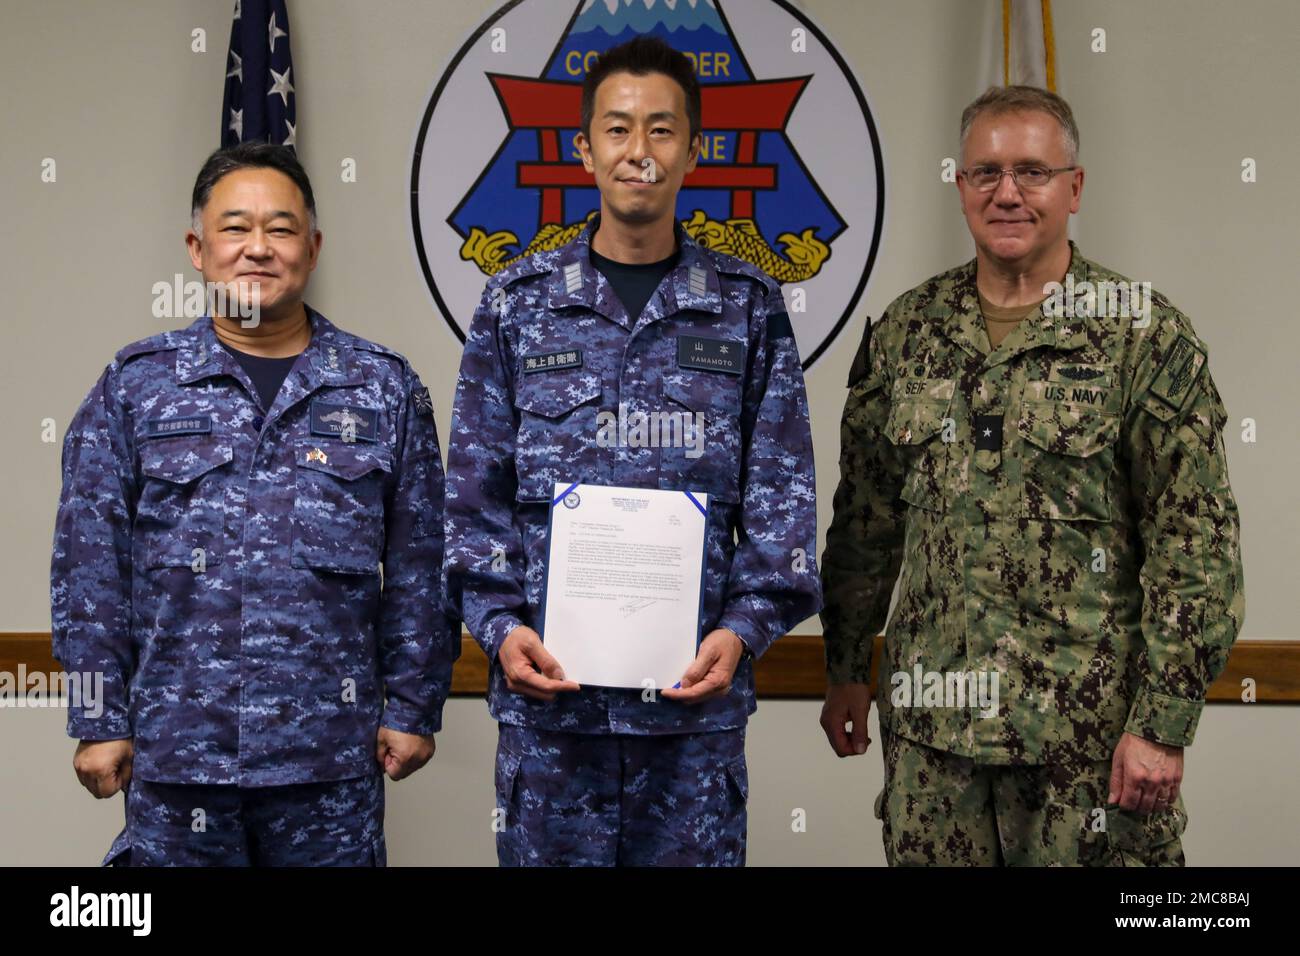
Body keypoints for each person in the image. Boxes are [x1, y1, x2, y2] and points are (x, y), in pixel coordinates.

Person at [819, 85, 1244, 866]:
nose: (1007, 192)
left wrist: (1162, 722)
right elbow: (866, 523)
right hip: (934, 744)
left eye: (1032, 172)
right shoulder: (909, 330)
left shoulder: (1142, 334)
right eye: (985, 173)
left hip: (1085, 746)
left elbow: (1196, 548)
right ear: (960, 187)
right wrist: (846, 667)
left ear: (1074, 188)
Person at [442, 36, 821, 866]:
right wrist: (501, 628)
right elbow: (472, 497)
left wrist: (748, 628)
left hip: (691, 719)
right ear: (584, 150)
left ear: (692, 148)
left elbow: (782, 501)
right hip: (551, 723)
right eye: (617, 130)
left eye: (660, 130)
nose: (638, 152)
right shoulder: (516, 305)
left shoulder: (747, 310)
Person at [51, 142, 457, 866]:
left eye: (282, 228)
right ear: (198, 250)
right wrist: (96, 715)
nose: (258, 249)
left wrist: (413, 707)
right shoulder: (135, 386)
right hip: (179, 763)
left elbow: (422, 567)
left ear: (313, 247)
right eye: (236, 228)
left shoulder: (384, 387)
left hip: (330, 766)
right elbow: (89, 569)